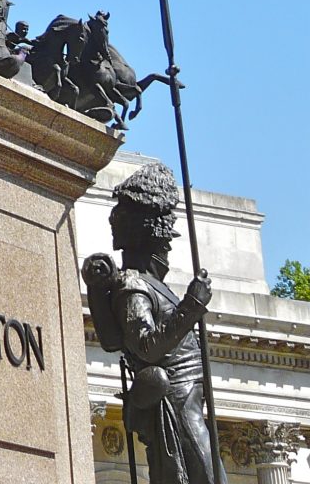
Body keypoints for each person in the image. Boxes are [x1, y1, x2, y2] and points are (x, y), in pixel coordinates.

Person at [82, 162, 225, 484]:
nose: (169, 249)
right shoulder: (133, 286)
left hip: (187, 400)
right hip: (175, 405)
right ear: (153, 239)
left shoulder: (149, 284)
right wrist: (193, 304)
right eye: (165, 243)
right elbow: (145, 347)